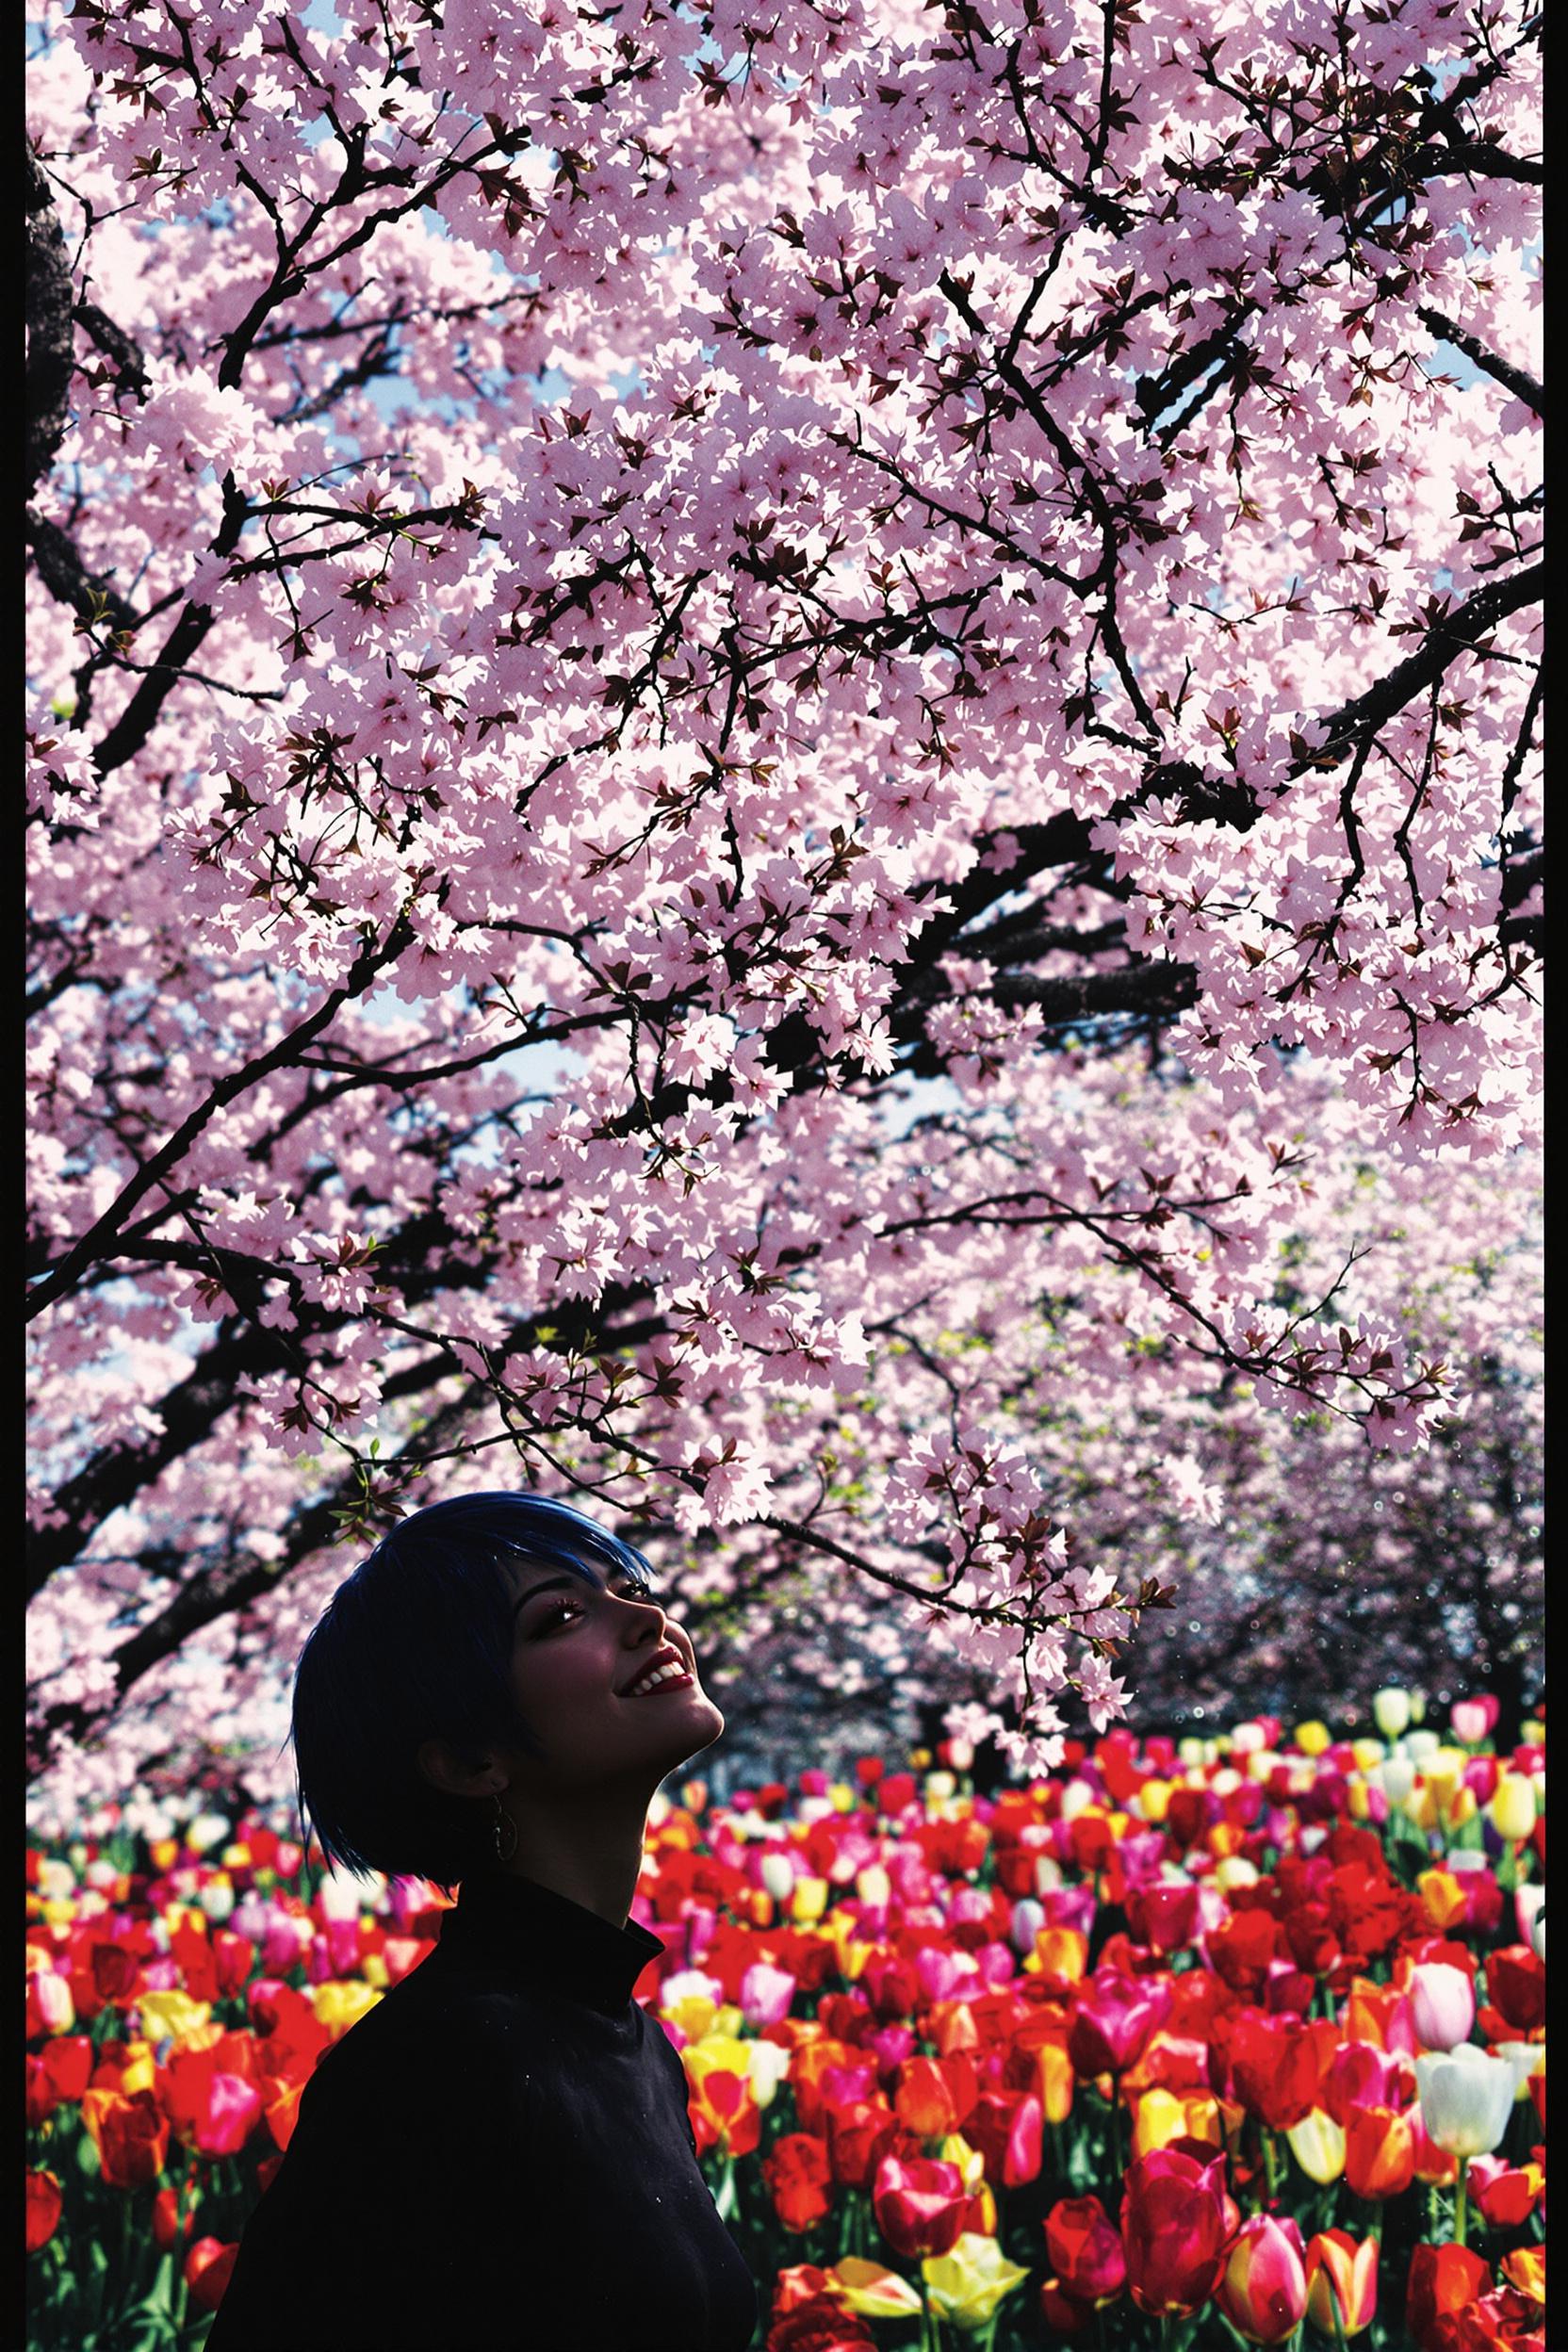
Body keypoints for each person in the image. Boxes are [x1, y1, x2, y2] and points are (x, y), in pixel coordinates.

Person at [204, 1491, 760, 2352]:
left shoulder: (638, 2051)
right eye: (563, 1616)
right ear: (469, 1760)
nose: (646, 1617)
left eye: (626, 1587)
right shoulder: (434, 2067)